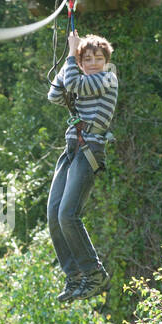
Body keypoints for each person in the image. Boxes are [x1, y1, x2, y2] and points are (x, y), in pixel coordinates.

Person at [46, 30, 118, 303]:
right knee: (54, 214)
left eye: (97, 58)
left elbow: (76, 86)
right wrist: (71, 60)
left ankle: (94, 273)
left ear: (106, 61)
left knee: (68, 214)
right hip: (72, 150)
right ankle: (74, 275)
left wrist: (71, 55)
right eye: (86, 59)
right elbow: (54, 95)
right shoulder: (80, 76)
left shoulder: (108, 78)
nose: (92, 63)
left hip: (90, 150)